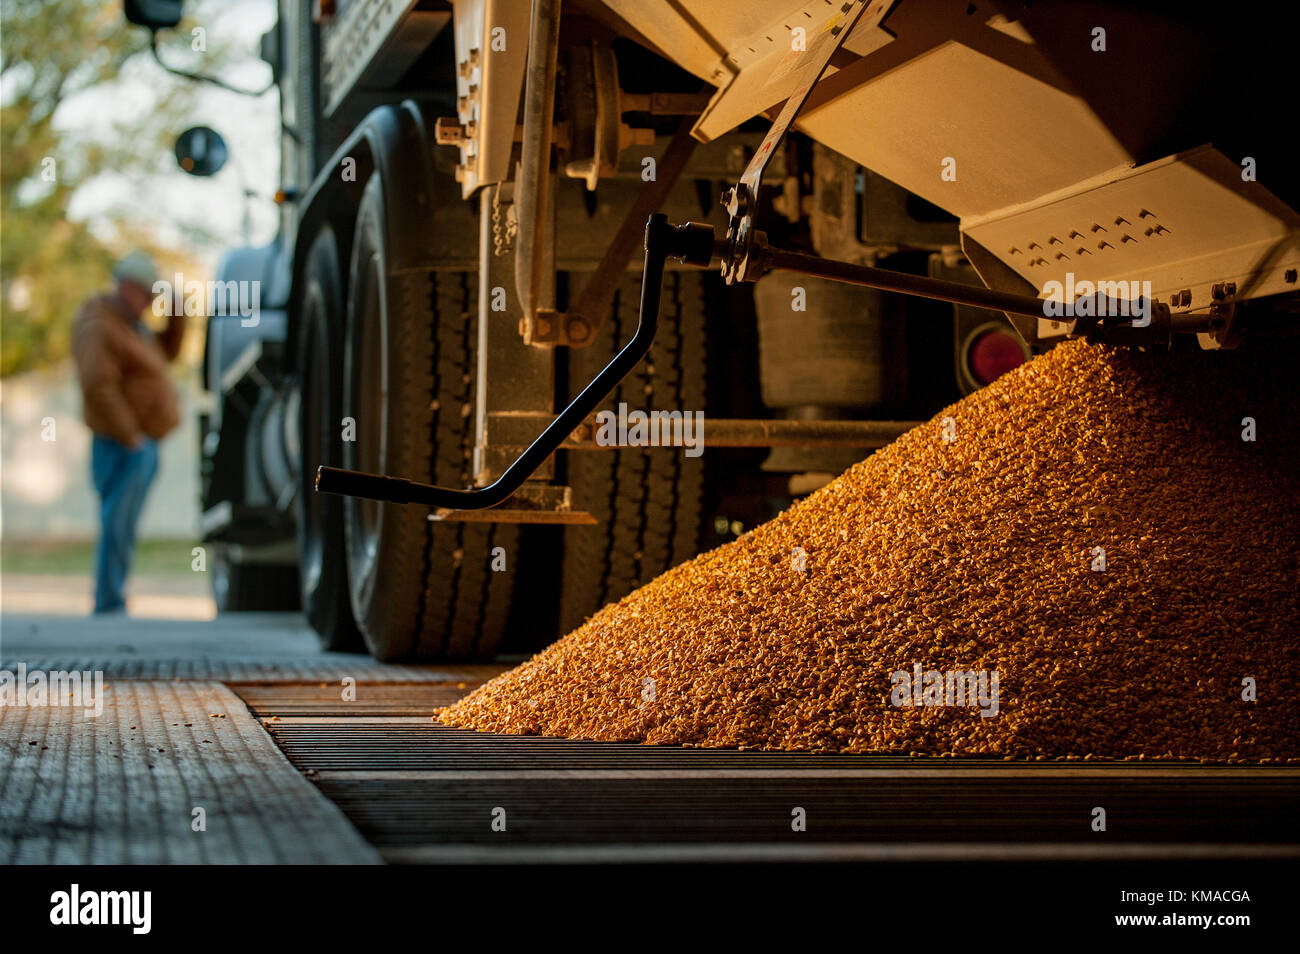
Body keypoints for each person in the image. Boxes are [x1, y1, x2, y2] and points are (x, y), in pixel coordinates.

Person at [71, 252, 185, 614]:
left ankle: (112, 597)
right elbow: (97, 385)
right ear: (126, 287)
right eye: (147, 296)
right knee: (117, 523)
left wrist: (177, 311)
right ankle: (109, 602)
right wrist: (130, 435)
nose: (151, 304)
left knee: (124, 522)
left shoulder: (132, 326)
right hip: (120, 444)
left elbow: (168, 354)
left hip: (139, 443)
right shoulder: (101, 324)